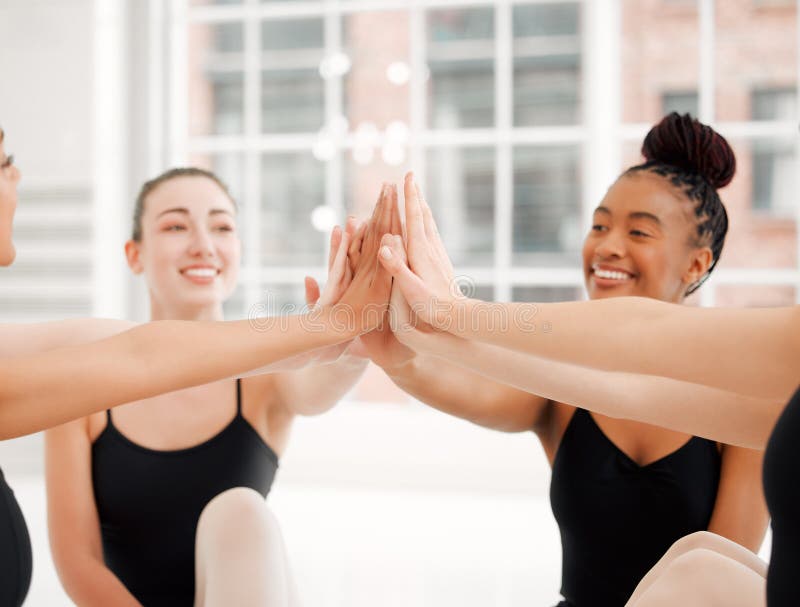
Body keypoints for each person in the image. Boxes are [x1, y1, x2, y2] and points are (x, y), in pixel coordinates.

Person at [361, 114, 768, 607]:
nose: (607, 246)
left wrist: (451, 316)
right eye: (599, 225)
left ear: (696, 264)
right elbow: (459, 384)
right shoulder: (562, 387)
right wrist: (398, 356)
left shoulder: (742, 402)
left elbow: (719, 580)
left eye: (639, 233)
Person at [0, 127, 395, 607]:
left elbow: (315, 388)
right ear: (135, 254)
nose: (203, 244)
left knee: (240, 510)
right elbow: (78, 563)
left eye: (222, 227)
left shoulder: (264, 378)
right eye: (175, 226)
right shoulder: (84, 385)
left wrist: (351, 343)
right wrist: (325, 329)